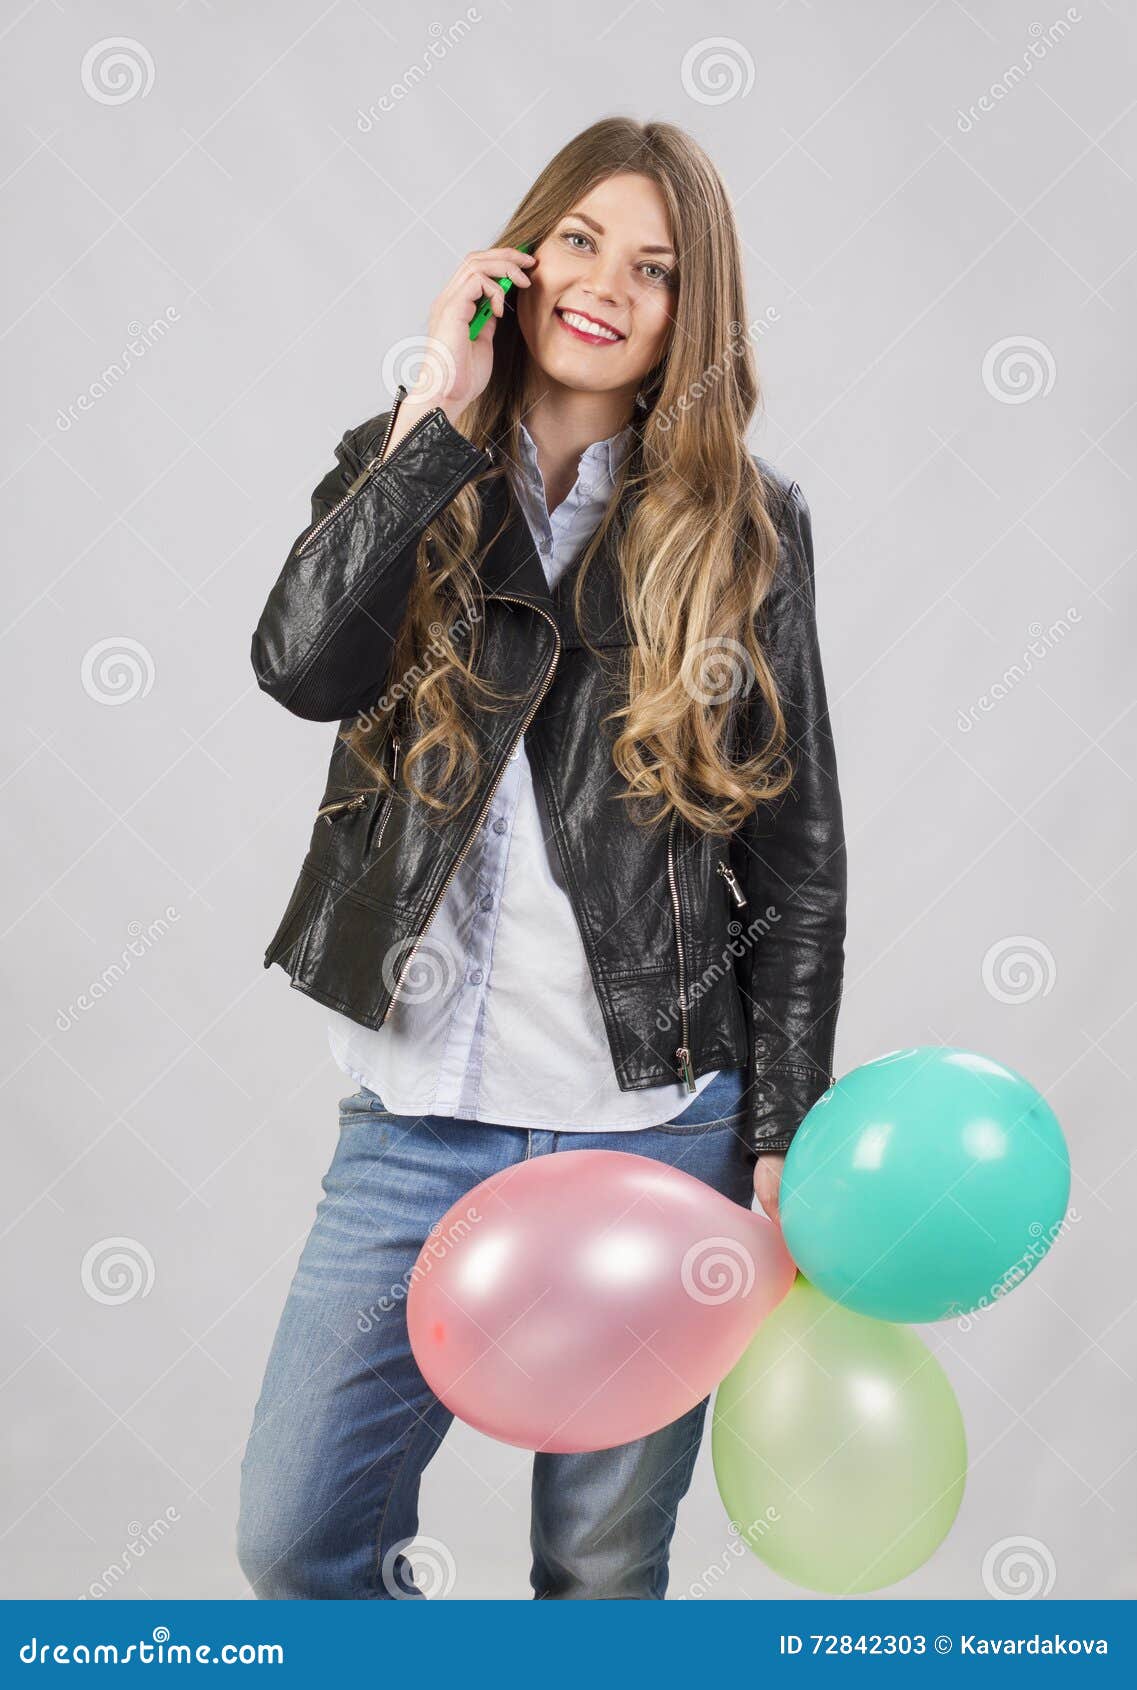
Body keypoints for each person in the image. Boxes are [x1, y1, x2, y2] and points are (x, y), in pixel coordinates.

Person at [238, 116, 846, 1600]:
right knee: (295, 1540)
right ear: (516, 258)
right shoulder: (403, 460)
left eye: (654, 267)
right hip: (416, 1120)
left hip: (656, 1129)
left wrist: (781, 1123)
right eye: (577, 239)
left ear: (686, 314)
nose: (605, 285)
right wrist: (433, 419)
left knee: (596, 1567)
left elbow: (800, 856)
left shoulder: (747, 529)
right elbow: (301, 663)